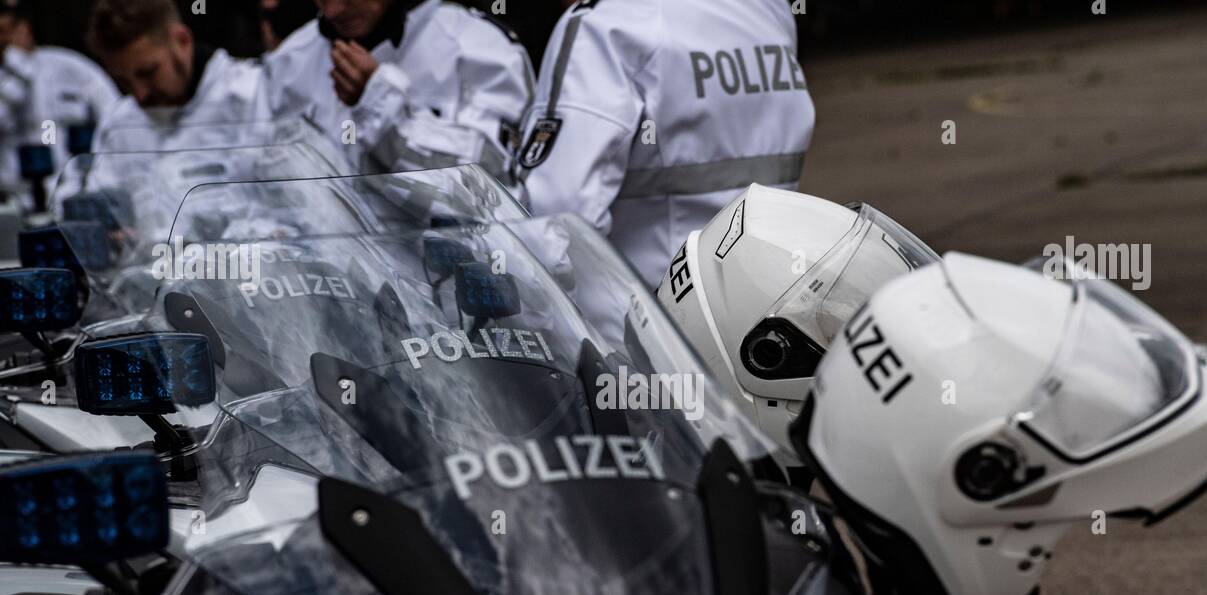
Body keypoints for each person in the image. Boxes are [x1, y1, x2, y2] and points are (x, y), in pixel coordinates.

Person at [520, 0, 817, 290]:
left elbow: (557, 224)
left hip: (647, 326)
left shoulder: (605, 25)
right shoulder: (770, 11)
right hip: (767, 301)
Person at [264, 0, 534, 189]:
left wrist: (381, 109)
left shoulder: (478, 51)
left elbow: (493, 195)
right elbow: (268, 186)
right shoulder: (293, 57)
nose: (333, 10)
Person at [86, 0, 271, 149]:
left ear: (182, 41)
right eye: (123, 82)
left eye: (148, 73)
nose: (140, 95)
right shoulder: (118, 126)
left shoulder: (256, 99)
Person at [0, 0, 119, 202]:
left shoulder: (69, 67)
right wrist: (17, 78)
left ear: (24, 28)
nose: (4, 40)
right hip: (13, 198)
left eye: (6, 31)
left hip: (73, 190)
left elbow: (115, 116)